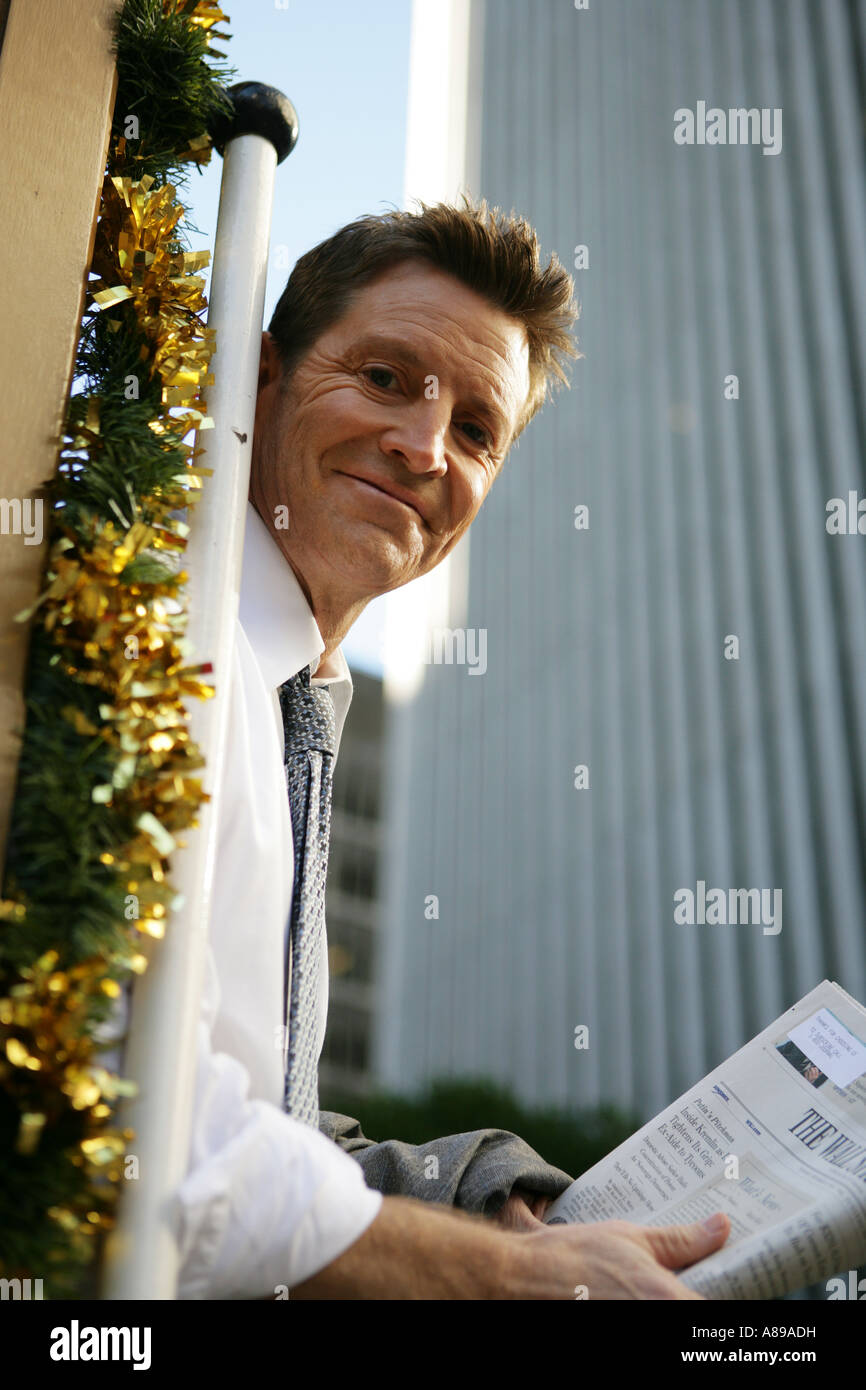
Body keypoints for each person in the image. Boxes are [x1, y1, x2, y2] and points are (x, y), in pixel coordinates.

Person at [174, 200, 730, 1299]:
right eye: (384, 377)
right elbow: (154, 1140)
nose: (424, 449)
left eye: (476, 429)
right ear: (265, 376)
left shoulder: (289, 688)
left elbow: (248, 1114)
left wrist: (463, 1191)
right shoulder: (178, 643)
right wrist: (510, 1280)